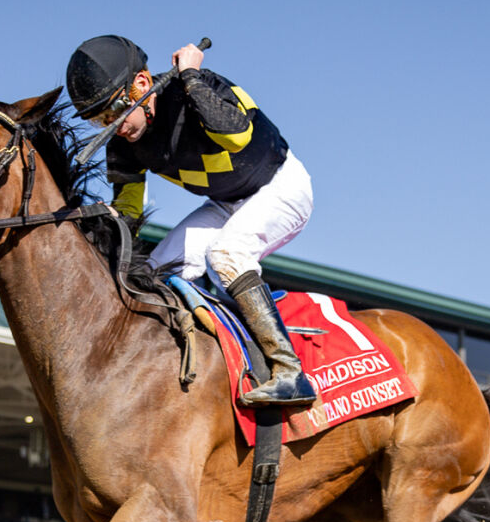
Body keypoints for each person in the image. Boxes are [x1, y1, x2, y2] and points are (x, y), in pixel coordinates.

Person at [65, 35, 316, 407]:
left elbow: (237, 137)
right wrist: (102, 235)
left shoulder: (200, 84)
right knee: (151, 274)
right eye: (98, 119)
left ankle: (290, 372)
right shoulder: (123, 145)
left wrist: (191, 77)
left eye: (114, 111)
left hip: (281, 186)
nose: (113, 126)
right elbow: (129, 213)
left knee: (227, 254)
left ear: (142, 84)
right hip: (227, 203)